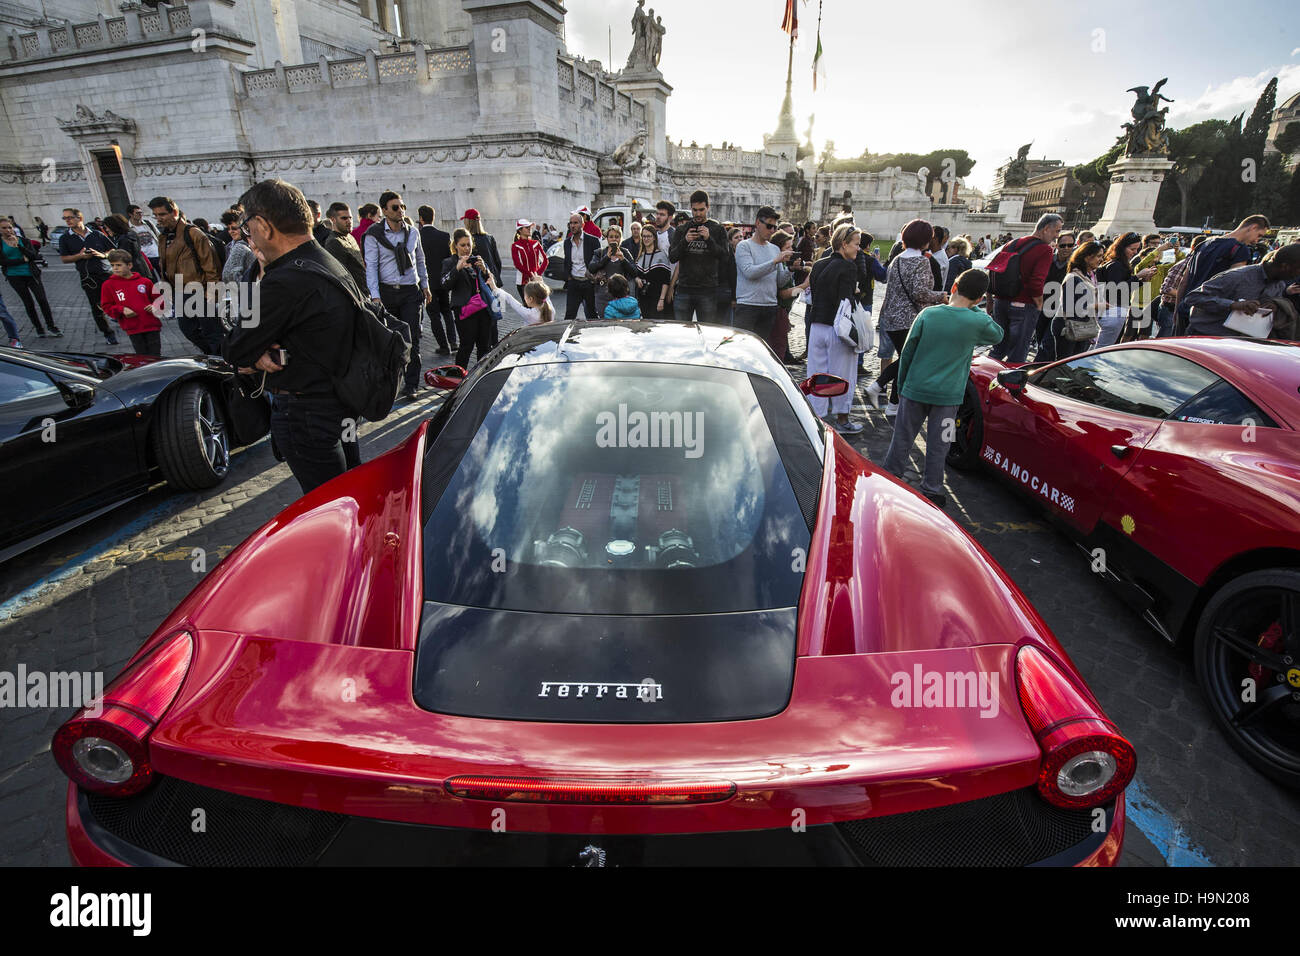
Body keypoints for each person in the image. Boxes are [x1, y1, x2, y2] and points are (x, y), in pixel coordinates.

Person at [224, 179, 360, 495]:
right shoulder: (327, 259)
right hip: (341, 404)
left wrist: (251, 351)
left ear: (263, 225)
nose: (250, 236)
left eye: (248, 226)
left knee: (326, 505)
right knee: (349, 493)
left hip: (306, 413)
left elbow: (233, 348)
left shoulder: (283, 280)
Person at [882, 269, 1003, 508]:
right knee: (941, 443)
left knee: (902, 437)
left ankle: (890, 477)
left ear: (954, 286)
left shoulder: (929, 314)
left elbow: (907, 353)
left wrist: (903, 385)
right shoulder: (977, 320)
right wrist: (976, 309)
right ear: (979, 299)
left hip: (915, 389)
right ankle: (932, 488)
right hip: (949, 397)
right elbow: (998, 335)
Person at [866, 219, 949, 416]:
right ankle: (879, 388)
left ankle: (892, 402)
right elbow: (919, 292)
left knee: (906, 359)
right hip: (908, 320)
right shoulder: (921, 261)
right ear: (925, 240)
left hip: (891, 318)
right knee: (909, 360)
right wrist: (941, 296)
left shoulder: (898, 258)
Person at [365, 190, 430, 401]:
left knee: (413, 339)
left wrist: (425, 284)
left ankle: (411, 384)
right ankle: (390, 383)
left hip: (411, 291)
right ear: (384, 210)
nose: (401, 211)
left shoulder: (413, 232)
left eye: (402, 207)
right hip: (386, 292)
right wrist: (375, 296)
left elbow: (420, 260)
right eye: (395, 207)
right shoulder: (374, 235)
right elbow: (371, 267)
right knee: (389, 340)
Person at [807, 224, 865, 434]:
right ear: (844, 244)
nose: (858, 249)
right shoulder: (849, 267)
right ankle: (842, 419)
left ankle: (817, 419)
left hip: (816, 325)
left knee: (817, 372)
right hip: (836, 327)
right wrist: (856, 292)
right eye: (856, 244)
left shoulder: (819, 264)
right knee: (843, 374)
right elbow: (846, 301)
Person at [1173, 215, 1270, 333]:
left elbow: (1184, 281)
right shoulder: (1240, 249)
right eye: (1259, 235)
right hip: (1208, 316)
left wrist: (1177, 310)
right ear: (1253, 227)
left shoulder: (1203, 244)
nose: (1256, 241)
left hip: (1185, 308)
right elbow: (1235, 285)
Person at [986, 214, 1061, 364]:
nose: (1056, 236)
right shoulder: (1045, 250)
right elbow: (1036, 282)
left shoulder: (1013, 243)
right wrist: (1039, 304)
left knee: (998, 348)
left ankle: (985, 378)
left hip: (1001, 301)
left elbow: (993, 271)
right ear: (1046, 229)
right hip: (1024, 305)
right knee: (1018, 352)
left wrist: (989, 300)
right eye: (1057, 231)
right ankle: (1010, 384)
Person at [151, 196, 222, 353]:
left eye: (162, 214)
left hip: (200, 290)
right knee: (189, 330)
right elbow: (164, 265)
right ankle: (213, 356)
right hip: (180, 292)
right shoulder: (163, 237)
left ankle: (222, 363)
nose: (158, 219)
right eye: (155, 215)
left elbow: (211, 266)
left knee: (213, 333)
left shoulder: (193, 233)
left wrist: (212, 293)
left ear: (174, 212)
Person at [1184, 243, 1300, 336]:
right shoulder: (1239, 276)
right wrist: (1232, 305)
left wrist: (1273, 306)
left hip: (1241, 344)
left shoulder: (1279, 285)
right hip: (1206, 339)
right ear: (1285, 266)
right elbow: (1193, 297)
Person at [58, 207, 119, 345]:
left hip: (106, 272)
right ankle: (108, 333)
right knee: (97, 306)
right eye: (65, 218)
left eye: (69, 217)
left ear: (79, 218)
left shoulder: (96, 234)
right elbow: (64, 258)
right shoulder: (65, 238)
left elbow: (113, 249)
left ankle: (121, 318)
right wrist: (79, 256)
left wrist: (103, 255)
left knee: (118, 298)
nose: (67, 220)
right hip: (88, 276)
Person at [668, 190, 729, 323]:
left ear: (708, 207)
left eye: (701, 210)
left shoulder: (717, 229)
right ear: (691, 208)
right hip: (684, 288)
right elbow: (672, 257)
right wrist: (685, 241)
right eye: (695, 210)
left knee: (707, 332)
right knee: (682, 332)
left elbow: (725, 257)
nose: (698, 214)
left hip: (708, 290)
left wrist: (709, 239)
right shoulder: (682, 229)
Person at [733, 206, 793, 341]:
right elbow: (750, 273)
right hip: (748, 306)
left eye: (775, 228)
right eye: (769, 226)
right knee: (742, 348)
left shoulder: (775, 248)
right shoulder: (744, 246)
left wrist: (791, 269)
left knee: (762, 349)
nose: (772, 230)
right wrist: (774, 262)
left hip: (769, 306)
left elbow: (779, 282)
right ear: (758, 223)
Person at [443, 228, 495, 367]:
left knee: (484, 346)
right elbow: (444, 284)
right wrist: (457, 269)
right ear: (455, 246)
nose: (466, 248)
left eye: (469, 245)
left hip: (483, 308)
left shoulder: (477, 260)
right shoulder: (450, 262)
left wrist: (485, 270)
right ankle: (459, 378)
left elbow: (491, 282)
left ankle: (481, 375)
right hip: (464, 309)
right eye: (463, 245)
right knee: (466, 346)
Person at [0, 218, 59, 337]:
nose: (8, 230)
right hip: (14, 276)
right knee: (28, 303)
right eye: (4, 228)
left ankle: (51, 326)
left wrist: (19, 247)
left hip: (31, 274)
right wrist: (22, 260)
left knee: (42, 299)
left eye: (9, 227)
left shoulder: (24, 241)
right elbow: (3, 262)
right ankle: (39, 328)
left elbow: (33, 256)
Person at [1095, 232, 1155, 348]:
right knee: (1104, 348)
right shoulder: (1116, 265)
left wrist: (1142, 280)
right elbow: (1117, 289)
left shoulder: (1117, 263)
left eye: (1137, 249)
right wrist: (1138, 277)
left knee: (1106, 346)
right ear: (1122, 248)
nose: (1135, 252)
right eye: (1132, 249)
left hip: (1114, 310)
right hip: (1112, 310)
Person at [100, 249, 164, 356]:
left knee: (155, 356)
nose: (115, 268)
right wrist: (121, 310)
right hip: (133, 328)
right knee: (141, 356)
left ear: (129, 265)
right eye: (112, 265)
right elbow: (106, 307)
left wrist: (155, 306)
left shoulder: (145, 282)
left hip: (152, 325)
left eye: (119, 265)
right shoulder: (108, 285)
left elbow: (160, 301)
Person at [1052, 240, 1105, 360]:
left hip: (1081, 326)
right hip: (1069, 326)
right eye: (1098, 256)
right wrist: (1097, 306)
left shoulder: (1086, 276)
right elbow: (1070, 307)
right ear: (1087, 257)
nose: (1101, 259)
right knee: (1065, 364)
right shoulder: (1073, 277)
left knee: (1075, 364)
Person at [417, 205, 456, 357]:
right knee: (447, 312)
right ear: (433, 217)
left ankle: (443, 345)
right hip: (442, 281)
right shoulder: (444, 236)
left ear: (421, 218)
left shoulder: (417, 236)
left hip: (427, 283)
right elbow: (448, 258)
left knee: (434, 315)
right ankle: (453, 341)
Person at [1127, 237, 1185, 340]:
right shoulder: (1140, 268)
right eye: (1153, 255)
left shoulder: (1161, 269)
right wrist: (1159, 249)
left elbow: (1180, 263)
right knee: (1129, 334)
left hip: (1149, 304)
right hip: (1136, 304)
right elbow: (1145, 262)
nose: (1156, 256)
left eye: (1158, 255)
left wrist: (1176, 250)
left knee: (1144, 335)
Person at [561, 212, 601, 321]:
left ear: (582, 225)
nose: (572, 226)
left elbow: (599, 261)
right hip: (574, 283)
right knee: (569, 314)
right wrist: (568, 277)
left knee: (592, 313)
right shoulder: (567, 243)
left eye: (576, 223)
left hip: (589, 283)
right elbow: (567, 261)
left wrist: (594, 277)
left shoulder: (593, 241)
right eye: (571, 223)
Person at [591, 225, 637, 318]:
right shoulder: (600, 252)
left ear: (620, 238)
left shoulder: (625, 252)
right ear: (607, 238)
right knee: (604, 323)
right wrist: (606, 257)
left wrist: (623, 259)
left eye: (617, 236)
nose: (614, 239)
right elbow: (591, 268)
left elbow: (634, 272)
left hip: (621, 298)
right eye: (611, 237)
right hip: (602, 296)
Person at [322, 203, 368, 291]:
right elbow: (339, 276)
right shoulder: (333, 242)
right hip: (353, 295)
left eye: (350, 217)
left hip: (364, 291)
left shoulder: (350, 236)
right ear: (333, 219)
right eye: (344, 218)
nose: (349, 221)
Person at [483, 271, 554, 326]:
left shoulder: (529, 314)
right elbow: (544, 293)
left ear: (530, 299)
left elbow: (509, 298)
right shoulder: (551, 309)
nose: (524, 297)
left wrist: (494, 287)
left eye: (525, 295)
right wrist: (540, 282)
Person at [632, 224, 672, 318]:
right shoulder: (640, 255)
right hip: (643, 298)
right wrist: (637, 279)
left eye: (649, 236)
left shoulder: (661, 255)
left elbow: (666, 280)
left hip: (657, 299)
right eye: (644, 236)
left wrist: (662, 299)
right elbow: (637, 274)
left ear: (654, 238)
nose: (646, 239)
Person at [102, 213, 155, 281]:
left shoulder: (126, 238)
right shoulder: (126, 235)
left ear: (113, 226)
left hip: (136, 273)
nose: (106, 230)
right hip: (138, 272)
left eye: (107, 227)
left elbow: (123, 257)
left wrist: (109, 254)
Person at [462, 209, 503, 285]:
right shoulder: (489, 238)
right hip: (493, 280)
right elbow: (498, 262)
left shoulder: (468, 240)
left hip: (478, 282)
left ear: (468, 222)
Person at [510, 218, 548, 301]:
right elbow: (518, 264)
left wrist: (537, 274)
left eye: (530, 227)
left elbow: (545, 260)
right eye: (526, 227)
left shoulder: (536, 243)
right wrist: (531, 275)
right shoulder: (515, 246)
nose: (529, 229)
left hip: (537, 281)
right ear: (520, 230)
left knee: (540, 307)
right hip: (523, 282)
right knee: (528, 309)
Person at [127, 204, 161, 275]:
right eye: (137, 213)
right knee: (151, 277)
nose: (140, 215)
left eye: (141, 212)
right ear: (130, 214)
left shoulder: (148, 223)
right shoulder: (128, 228)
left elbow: (159, 236)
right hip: (144, 258)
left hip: (156, 254)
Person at [221, 216, 256, 283]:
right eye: (228, 229)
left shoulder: (244, 245)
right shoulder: (237, 247)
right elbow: (228, 276)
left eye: (234, 228)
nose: (231, 231)